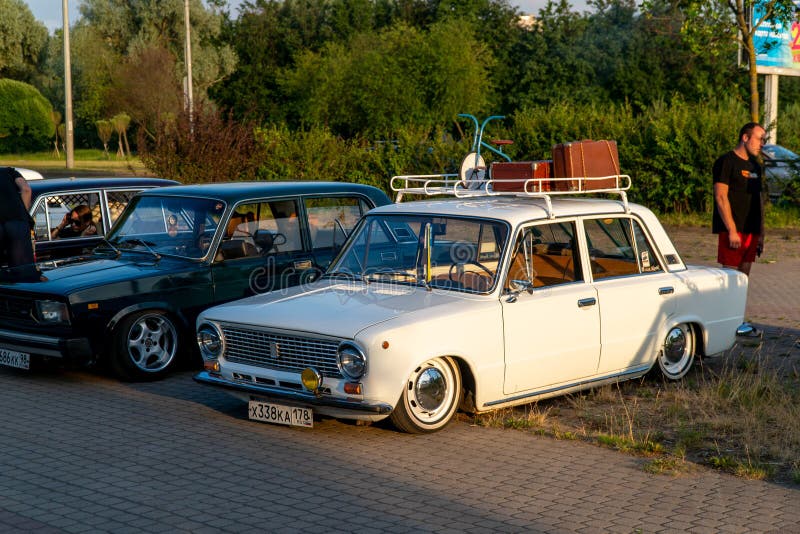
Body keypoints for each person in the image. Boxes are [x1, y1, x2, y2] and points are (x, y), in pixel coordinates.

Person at [712, 122, 766, 337]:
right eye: (759, 138)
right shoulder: (726, 162)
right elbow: (721, 196)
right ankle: (722, 322)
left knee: (743, 280)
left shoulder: (755, 166)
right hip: (733, 231)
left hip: (751, 231)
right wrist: (732, 229)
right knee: (730, 279)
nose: (762, 143)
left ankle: (738, 322)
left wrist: (761, 233)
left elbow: (759, 201)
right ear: (745, 137)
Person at [0, 167, 35, 268]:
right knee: (22, 270)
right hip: (18, 223)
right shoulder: (9, 171)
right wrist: (22, 214)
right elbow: (26, 190)